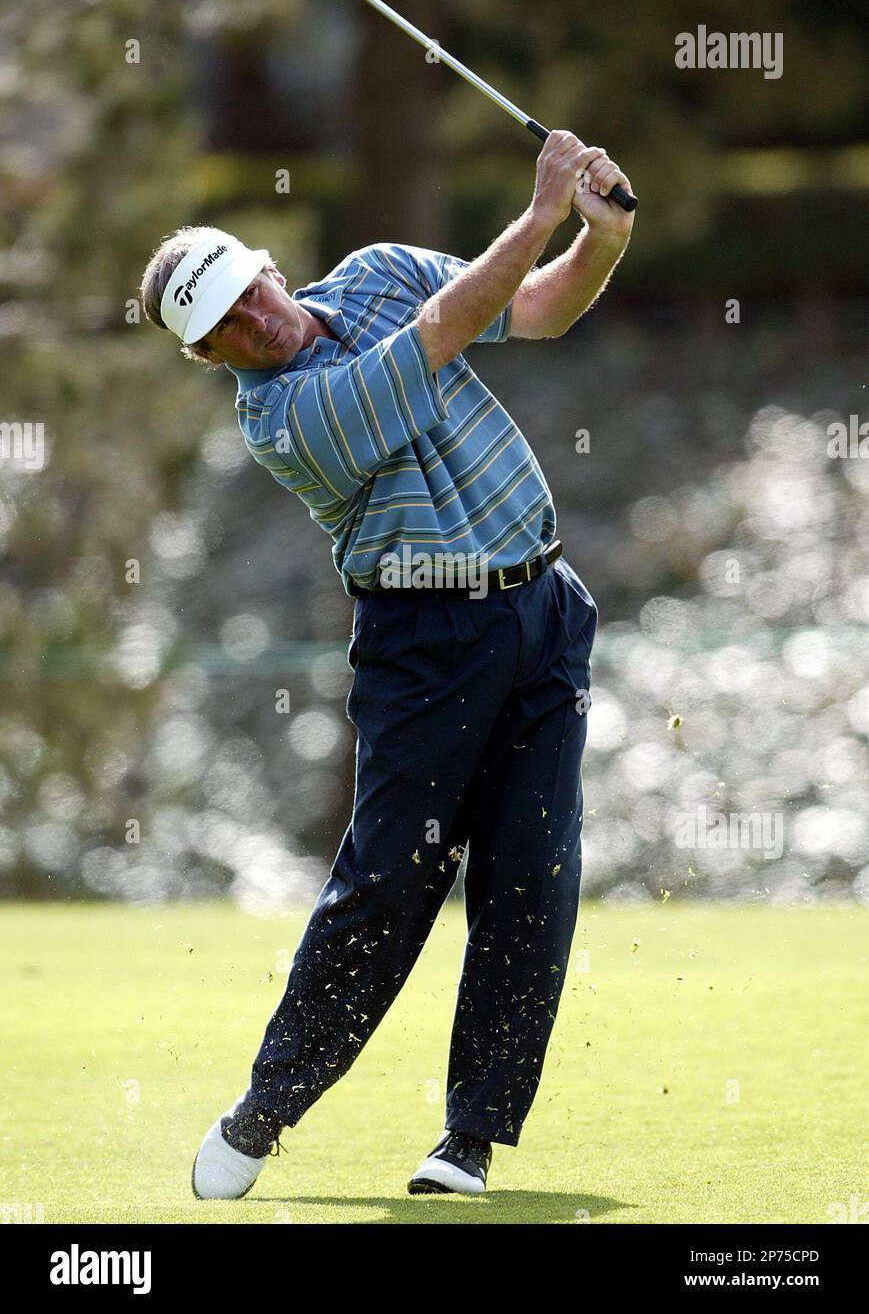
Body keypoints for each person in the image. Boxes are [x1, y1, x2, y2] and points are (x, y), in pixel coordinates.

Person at [140, 130, 634, 1199]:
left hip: (545, 607)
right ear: (208, 359)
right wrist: (542, 205)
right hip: (425, 646)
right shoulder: (279, 418)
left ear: (268, 264)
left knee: (531, 873)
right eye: (222, 327)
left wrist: (602, 239)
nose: (251, 320)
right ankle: (263, 1110)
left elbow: (536, 306)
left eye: (245, 291)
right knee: (386, 888)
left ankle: (467, 1139)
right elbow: (436, 336)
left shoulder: (371, 269)